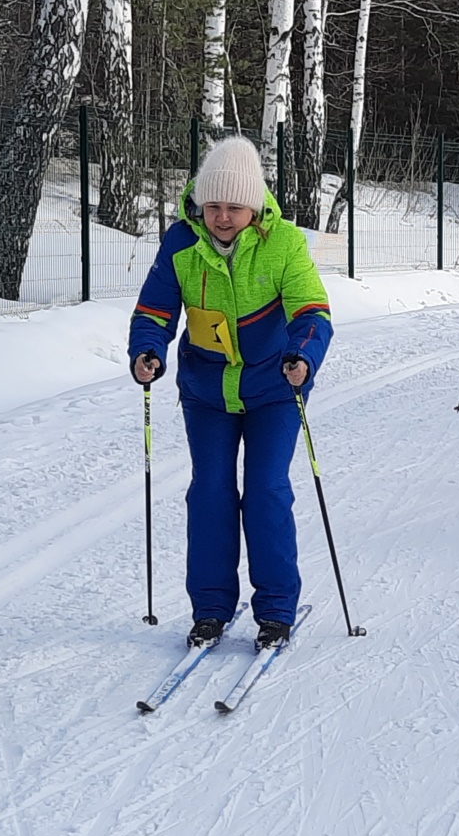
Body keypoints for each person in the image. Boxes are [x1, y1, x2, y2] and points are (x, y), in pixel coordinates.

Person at [128, 135, 333, 652]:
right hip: (206, 392)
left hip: (273, 388)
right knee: (211, 492)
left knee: (266, 490)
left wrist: (302, 355)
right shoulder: (180, 242)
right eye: (212, 205)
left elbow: (312, 310)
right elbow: (154, 310)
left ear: (255, 204)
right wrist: (148, 349)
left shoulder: (283, 241)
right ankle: (211, 610)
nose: (222, 217)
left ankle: (276, 610)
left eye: (234, 207)